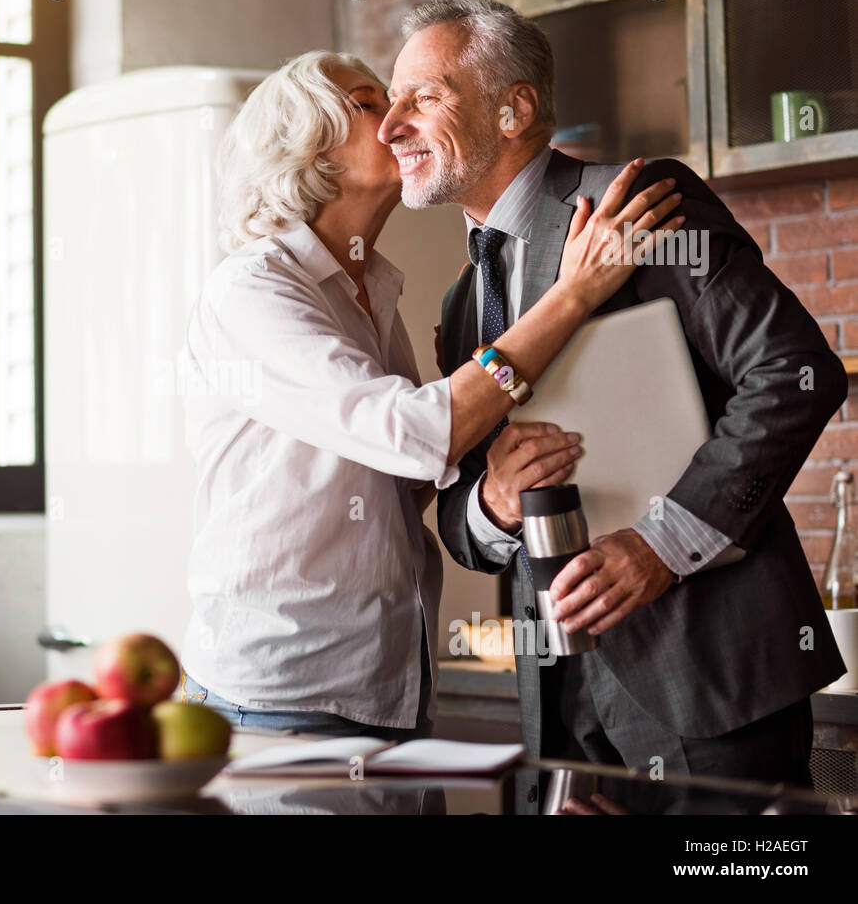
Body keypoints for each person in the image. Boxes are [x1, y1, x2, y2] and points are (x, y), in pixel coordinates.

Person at [381, 0, 846, 784]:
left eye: (423, 95)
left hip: (711, 685)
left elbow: (794, 373)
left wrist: (660, 545)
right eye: (391, 100)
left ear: (512, 108)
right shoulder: (465, 301)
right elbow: (460, 522)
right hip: (563, 717)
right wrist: (493, 502)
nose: (391, 124)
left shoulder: (637, 200)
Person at [176, 50, 681, 740]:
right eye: (369, 101)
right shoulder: (253, 287)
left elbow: (399, 474)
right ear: (306, 145)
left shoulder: (369, 292)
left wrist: (488, 469)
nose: (396, 117)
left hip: (386, 691)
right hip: (280, 696)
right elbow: (418, 433)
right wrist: (574, 293)